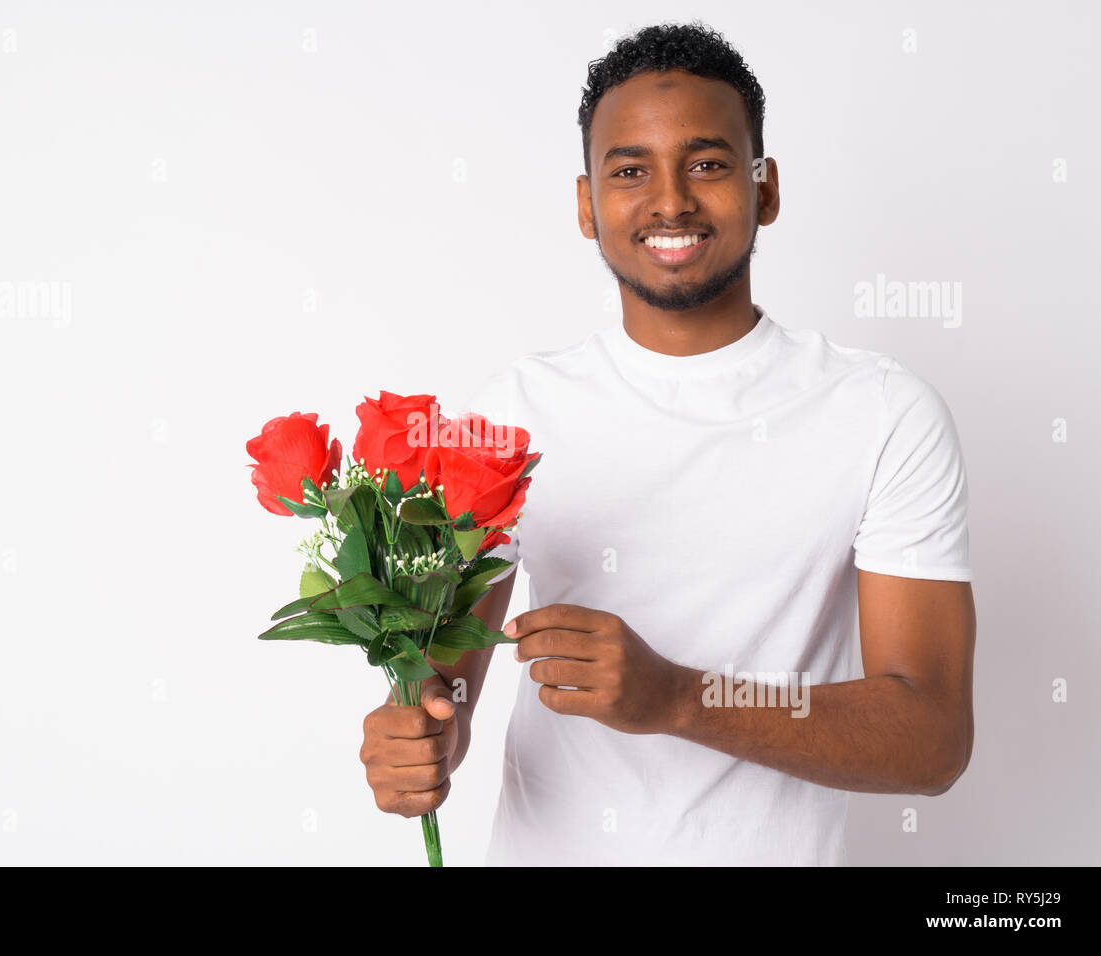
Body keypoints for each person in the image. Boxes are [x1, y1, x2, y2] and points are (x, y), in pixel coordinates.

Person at [359, 21, 975, 865]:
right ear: (587, 205)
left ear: (767, 190)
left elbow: (932, 738)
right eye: (630, 170)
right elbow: (447, 693)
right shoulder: (513, 413)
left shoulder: (882, 414)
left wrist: (680, 698)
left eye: (709, 163)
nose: (672, 201)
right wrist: (420, 741)